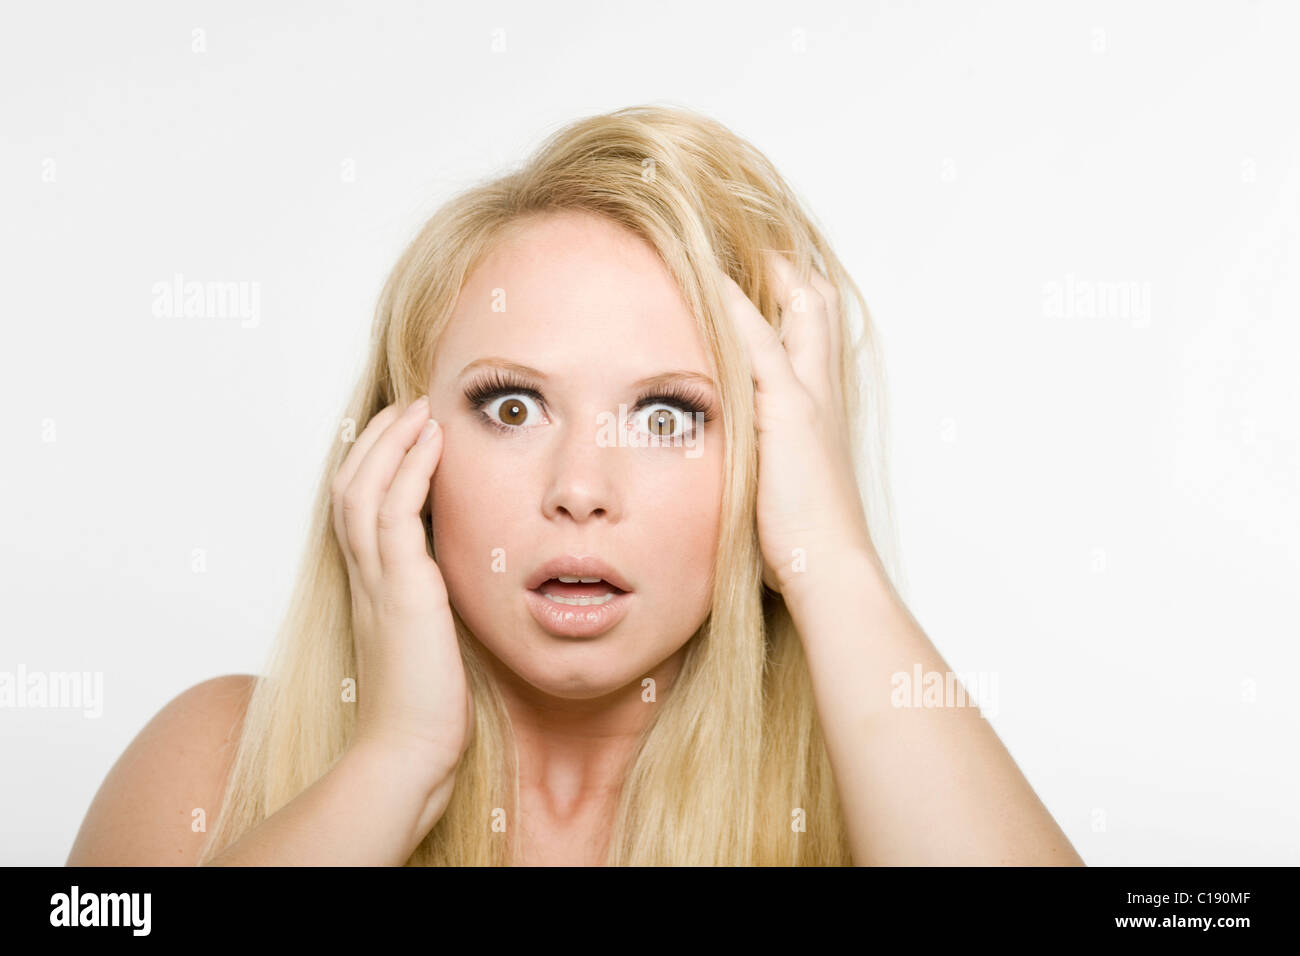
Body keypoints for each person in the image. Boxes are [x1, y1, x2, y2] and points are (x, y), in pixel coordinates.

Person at [67, 104, 1084, 866]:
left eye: (668, 414)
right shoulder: (214, 766)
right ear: (399, 451)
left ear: (780, 460)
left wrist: (834, 562)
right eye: (511, 406)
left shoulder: (880, 800)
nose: (581, 489)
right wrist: (396, 761)